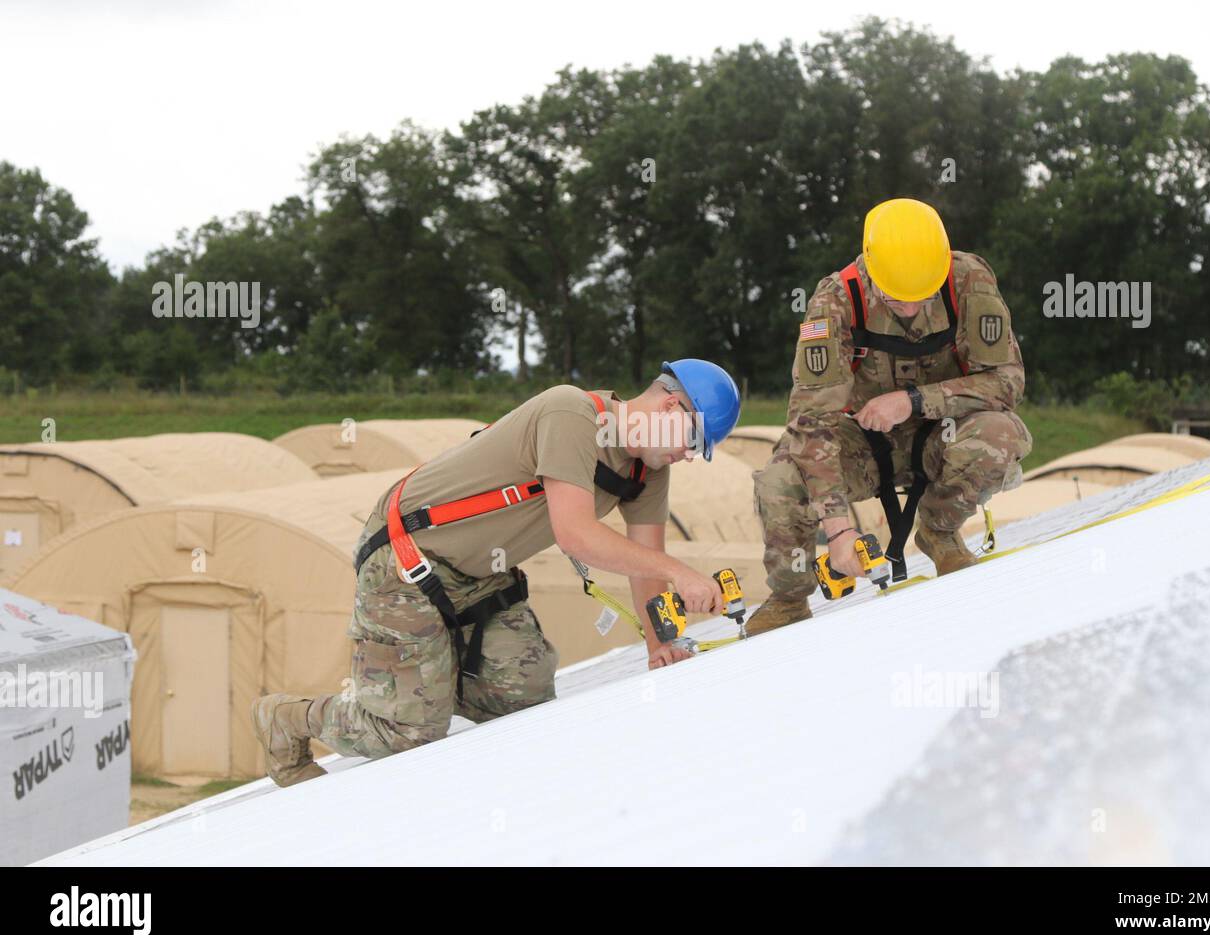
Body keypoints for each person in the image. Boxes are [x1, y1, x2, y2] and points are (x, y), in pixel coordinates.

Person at [253, 359, 741, 786]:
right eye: (695, 441)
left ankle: (431, 680)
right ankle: (288, 718)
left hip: (481, 576)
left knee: (524, 695)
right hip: (405, 559)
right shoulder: (571, 413)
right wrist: (681, 573)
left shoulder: (647, 470)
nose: (689, 455)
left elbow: (646, 565)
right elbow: (576, 534)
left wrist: (660, 646)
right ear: (671, 409)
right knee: (411, 733)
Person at [747, 198, 1032, 635]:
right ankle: (789, 597)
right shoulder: (834, 301)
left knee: (1001, 434)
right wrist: (839, 532)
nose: (913, 308)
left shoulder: (969, 280)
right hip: (861, 442)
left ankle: (939, 533)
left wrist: (914, 400)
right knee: (781, 476)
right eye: (898, 299)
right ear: (871, 269)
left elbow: (1007, 383)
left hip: (946, 433)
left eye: (923, 295)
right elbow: (811, 422)